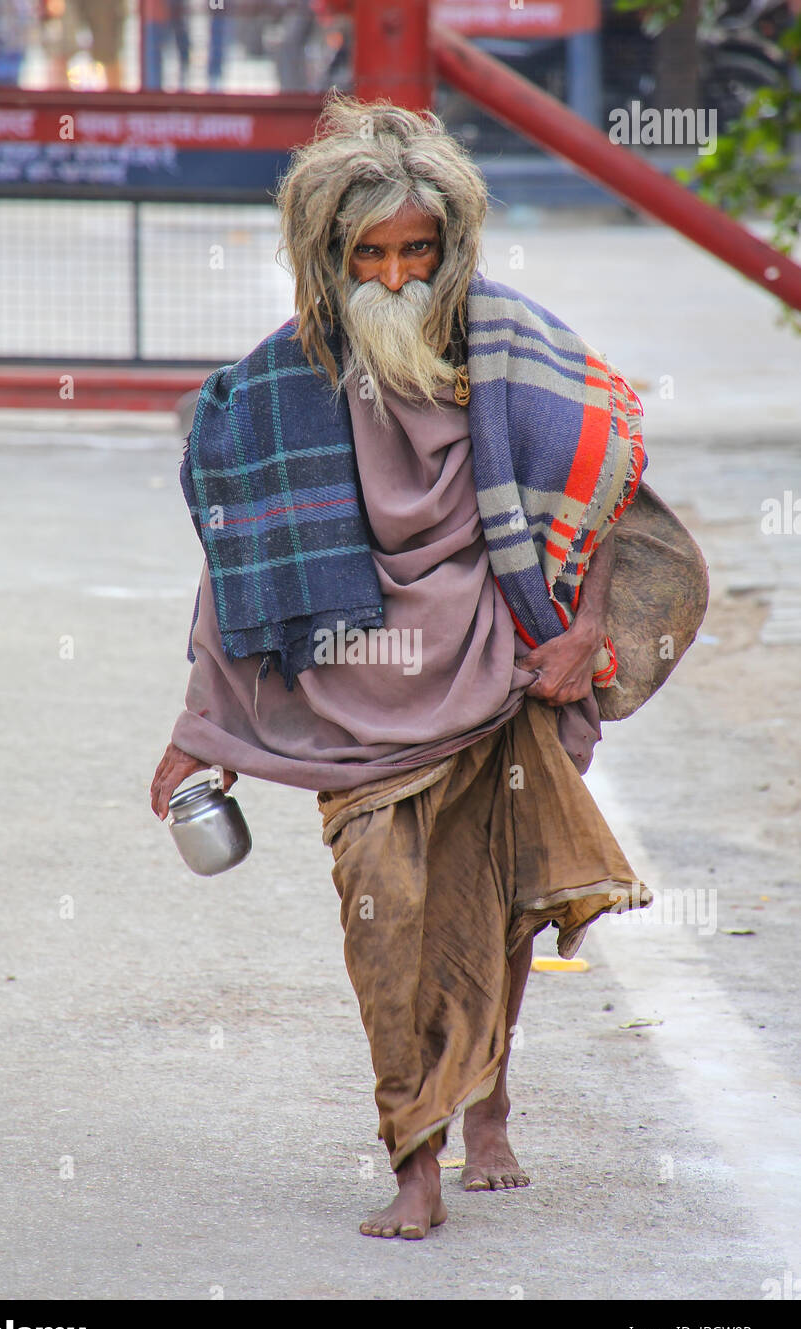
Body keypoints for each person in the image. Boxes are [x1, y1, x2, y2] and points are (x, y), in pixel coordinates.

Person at [150, 93, 651, 1241]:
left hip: (494, 675)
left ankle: (485, 1101)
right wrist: (194, 729)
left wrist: (585, 630)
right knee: (387, 919)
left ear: (452, 246)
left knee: (492, 913)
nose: (392, 273)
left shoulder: (513, 348)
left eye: (414, 249)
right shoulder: (270, 395)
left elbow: (612, 476)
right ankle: (411, 1151)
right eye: (366, 254)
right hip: (351, 707)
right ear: (329, 255)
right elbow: (237, 569)